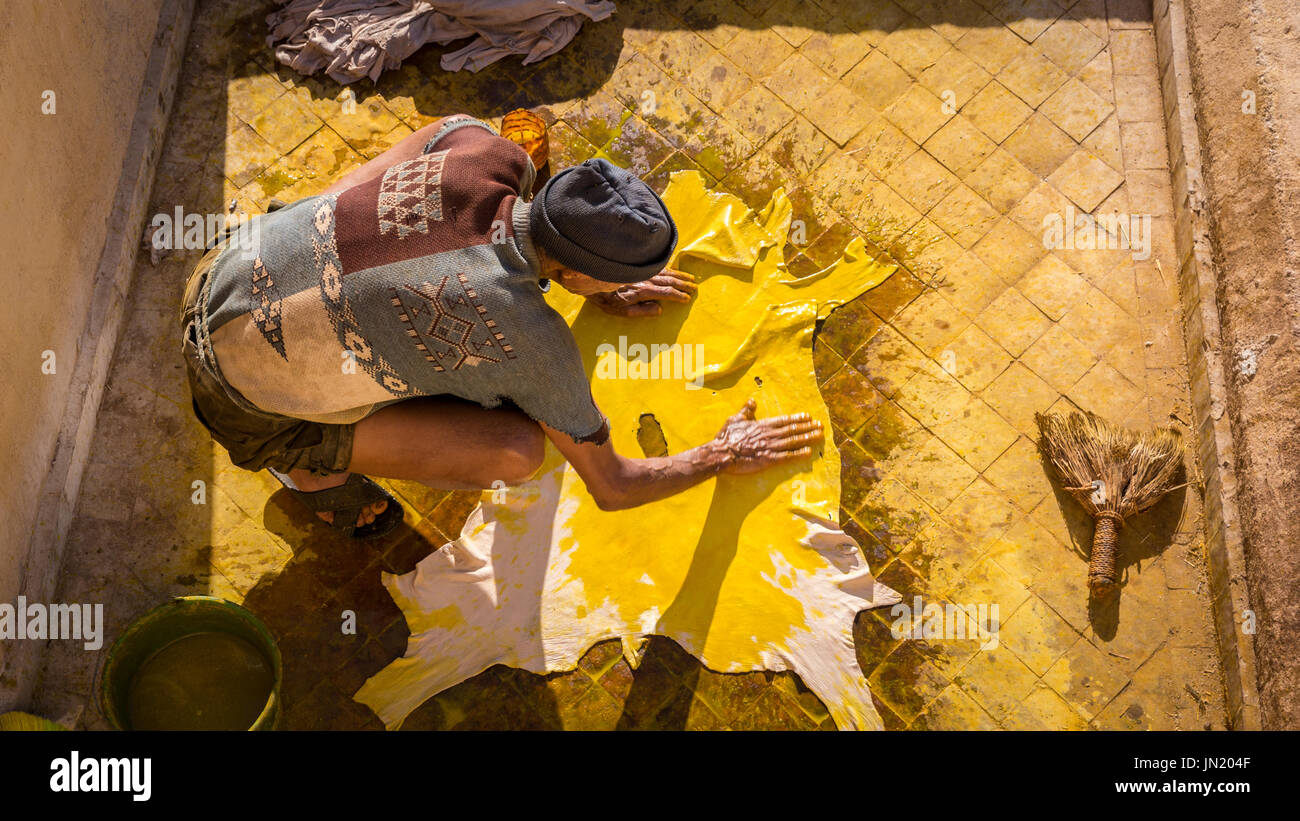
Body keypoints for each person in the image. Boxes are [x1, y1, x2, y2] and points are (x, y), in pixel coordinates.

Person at [180, 113, 823, 537]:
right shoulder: (530, 341)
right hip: (242, 395)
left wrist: (587, 273)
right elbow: (614, 487)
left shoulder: (485, 150)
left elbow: (446, 128)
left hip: (229, 269)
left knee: (368, 227)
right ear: (576, 275)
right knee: (517, 452)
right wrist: (722, 452)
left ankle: (319, 257)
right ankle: (307, 466)